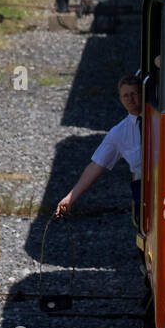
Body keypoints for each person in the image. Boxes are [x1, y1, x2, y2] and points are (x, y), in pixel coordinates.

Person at [55, 74, 143, 221]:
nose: (130, 99)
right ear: (120, 99)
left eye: (134, 94)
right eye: (125, 95)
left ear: (143, 94)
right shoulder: (119, 133)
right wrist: (70, 198)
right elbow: (95, 166)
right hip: (144, 193)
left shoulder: (163, 120)